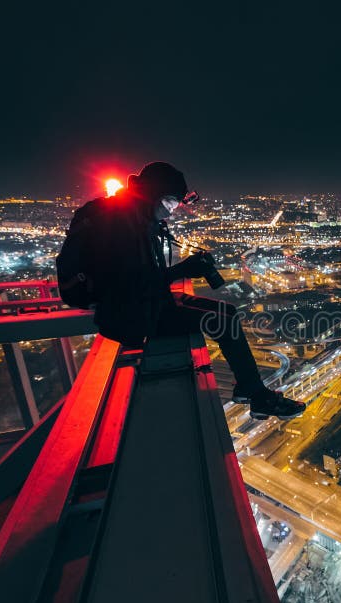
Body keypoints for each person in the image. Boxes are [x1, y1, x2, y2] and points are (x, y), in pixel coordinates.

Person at [91, 161, 305, 421]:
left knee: (227, 311)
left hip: (143, 303)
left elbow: (142, 280)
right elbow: (130, 283)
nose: (171, 211)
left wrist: (183, 269)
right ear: (151, 195)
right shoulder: (123, 225)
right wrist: (182, 270)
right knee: (224, 323)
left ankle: (248, 388)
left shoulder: (135, 220)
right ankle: (258, 396)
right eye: (169, 203)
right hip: (129, 316)